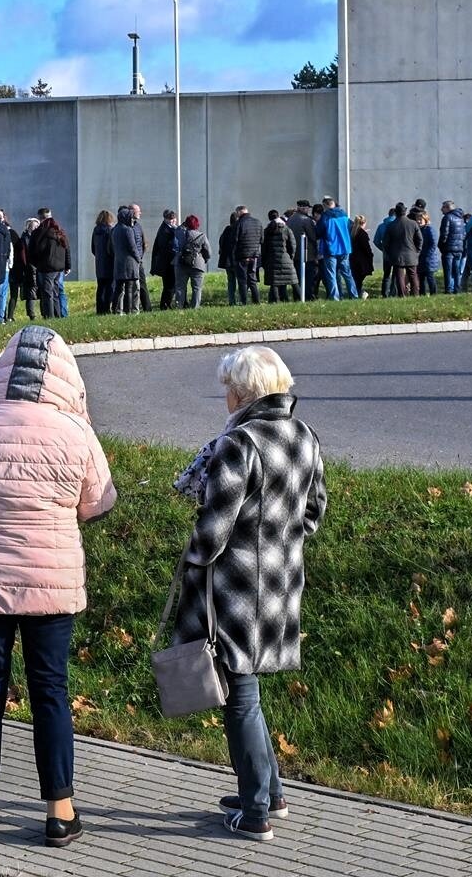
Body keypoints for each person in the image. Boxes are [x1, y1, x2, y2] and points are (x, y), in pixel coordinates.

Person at [0, 325, 116, 847]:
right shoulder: (75, 430)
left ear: (3, 368)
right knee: (50, 691)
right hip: (51, 583)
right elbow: (99, 501)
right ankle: (60, 811)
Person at [169, 345, 327, 842]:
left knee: (239, 694)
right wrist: (278, 539)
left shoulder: (238, 443)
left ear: (244, 391)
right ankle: (269, 791)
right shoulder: (304, 435)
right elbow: (314, 512)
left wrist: (191, 561)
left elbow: (215, 528)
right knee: (247, 691)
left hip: (236, 588)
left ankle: (256, 809)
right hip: (281, 584)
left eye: (228, 387)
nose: (225, 395)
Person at [28, 212, 71, 318]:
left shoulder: (39, 233)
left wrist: (37, 264)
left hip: (46, 267)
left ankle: (49, 316)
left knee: (47, 293)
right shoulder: (60, 232)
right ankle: (57, 315)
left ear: (40, 219)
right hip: (59, 267)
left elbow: (33, 251)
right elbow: (67, 249)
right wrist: (67, 265)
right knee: (55, 292)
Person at [318, 197, 357, 300]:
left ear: (325, 205)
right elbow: (351, 227)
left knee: (331, 274)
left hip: (330, 249)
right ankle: (354, 295)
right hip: (344, 248)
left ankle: (335, 297)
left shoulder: (325, 217)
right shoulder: (344, 215)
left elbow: (319, 232)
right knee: (347, 274)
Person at [383, 204, 423, 298]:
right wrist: (417, 251)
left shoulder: (391, 226)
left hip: (397, 255)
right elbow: (420, 240)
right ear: (405, 212)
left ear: (396, 213)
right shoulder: (413, 224)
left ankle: (402, 295)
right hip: (411, 254)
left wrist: (389, 254)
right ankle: (415, 295)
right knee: (413, 276)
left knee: (399, 277)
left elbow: (385, 242)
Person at [260, 210, 298, 302]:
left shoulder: (267, 231)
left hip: (272, 260)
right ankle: (299, 299)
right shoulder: (286, 229)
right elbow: (292, 245)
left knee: (275, 283)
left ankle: (276, 301)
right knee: (294, 282)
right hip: (285, 258)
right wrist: (291, 257)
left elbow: (264, 248)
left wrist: (264, 261)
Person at [176, 215, 210, 310]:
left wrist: (184, 225)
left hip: (182, 262)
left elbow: (178, 229)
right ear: (197, 224)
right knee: (197, 288)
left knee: (180, 287)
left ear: (186, 224)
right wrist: (205, 260)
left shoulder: (180, 234)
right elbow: (208, 251)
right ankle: (195, 307)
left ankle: (179, 306)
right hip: (197, 264)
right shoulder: (202, 236)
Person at [151, 209, 180, 311]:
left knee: (170, 285)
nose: (172, 221)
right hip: (168, 263)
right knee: (169, 285)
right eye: (170, 219)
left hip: (169, 262)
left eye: (174, 219)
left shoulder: (169, 228)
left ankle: (166, 304)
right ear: (165, 219)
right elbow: (167, 247)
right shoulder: (165, 230)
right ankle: (165, 305)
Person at [90, 210, 115, 315]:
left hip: (99, 263)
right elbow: (112, 248)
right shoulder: (110, 231)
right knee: (110, 287)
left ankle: (99, 310)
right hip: (110, 262)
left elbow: (93, 249)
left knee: (100, 287)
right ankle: (107, 309)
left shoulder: (95, 231)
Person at [349, 214, 375, 293]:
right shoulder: (362, 234)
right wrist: (371, 255)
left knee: (355, 278)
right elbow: (366, 248)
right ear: (363, 223)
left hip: (352, 259)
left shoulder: (352, 232)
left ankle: (355, 292)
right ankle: (357, 293)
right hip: (361, 261)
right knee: (359, 280)